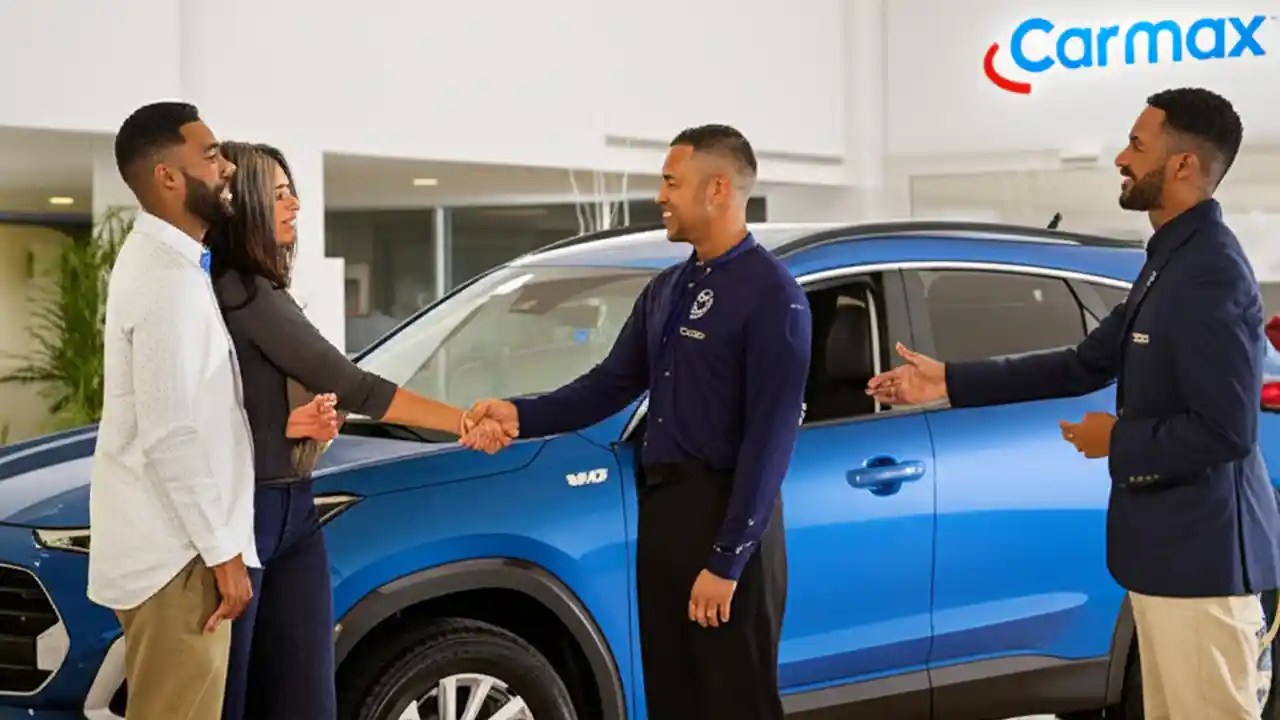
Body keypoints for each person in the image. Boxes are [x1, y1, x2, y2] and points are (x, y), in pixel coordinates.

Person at [866, 87, 1280, 720]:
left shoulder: (1212, 271)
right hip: (1169, 561)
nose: (1121, 157)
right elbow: (1083, 362)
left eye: (1137, 146)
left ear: (1183, 165)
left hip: (1203, 568)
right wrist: (947, 381)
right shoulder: (1170, 261)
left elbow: (1226, 431)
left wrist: (1114, 439)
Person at [465, 124, 810, 719]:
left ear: (718, 188)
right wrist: (519, 412)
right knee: (672, 700)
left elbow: (769, 443)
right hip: (664, 516)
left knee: (735, 702)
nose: (660, 196)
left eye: (672, 182)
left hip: (727, 521)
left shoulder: (773, 297)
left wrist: (726, 561)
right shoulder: (667, 290)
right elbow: (608, 385)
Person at [204, 140, 510, 720]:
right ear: (243, 204)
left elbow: (248, 394)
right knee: (251, 698)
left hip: (289, 507)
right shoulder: (243, 289)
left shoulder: (252, 289)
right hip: (252, 512)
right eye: (278, 194)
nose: (294, 204)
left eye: (292, 191)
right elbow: (351, 384)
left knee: (293, 694)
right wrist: (463, 421)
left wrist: (289, 421)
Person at [87, 102, 337, 720]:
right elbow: (172, 434)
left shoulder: (182, 268)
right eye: (210, 156)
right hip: (181, 557)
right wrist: (225, 557)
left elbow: (204, 411)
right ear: (168, 177)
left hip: (188, 548)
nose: (226, 167)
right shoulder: (168, 282)